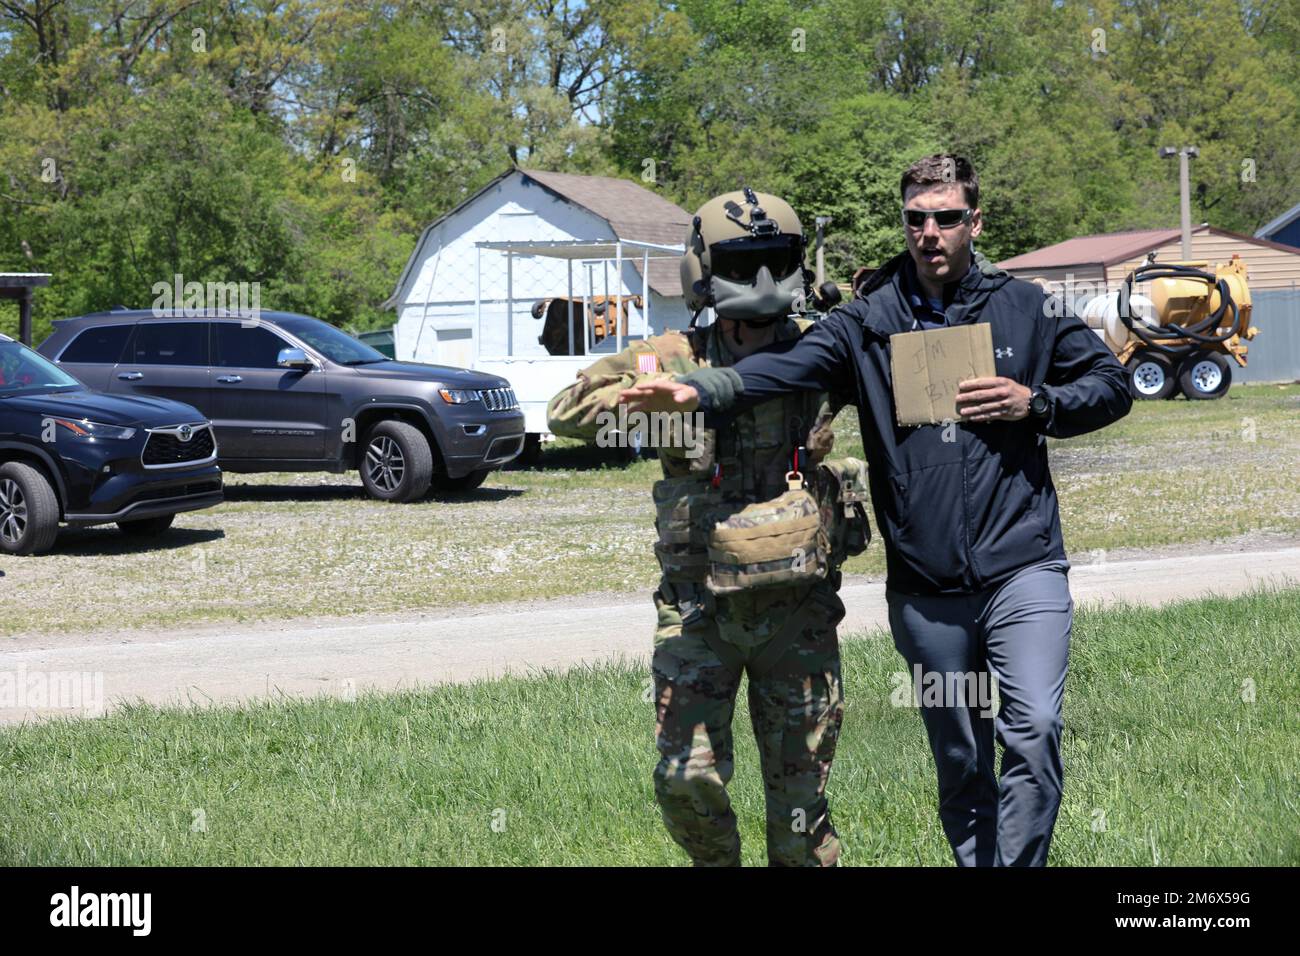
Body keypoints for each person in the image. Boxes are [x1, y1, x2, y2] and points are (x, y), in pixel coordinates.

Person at [621, 155, 1133, 866]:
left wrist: (1037, 403)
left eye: (947, 218)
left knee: (1034, 726)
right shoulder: (870, 318)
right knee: (959, 756)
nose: (930, 232)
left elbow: (1110, 386)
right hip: (927, 587)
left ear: (974, 222)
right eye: (916, 218)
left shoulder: (1027, 306)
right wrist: (704, 387)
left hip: (1023, 567)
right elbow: (789, 365)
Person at [547, 188, 868, 866]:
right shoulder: (672, 354)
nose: (759, 280)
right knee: (683, 777)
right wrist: (643, 403)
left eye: (773, 261)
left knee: (802, 812)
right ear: (703, 270)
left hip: (797, 614)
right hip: (698, 611)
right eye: (741, 262)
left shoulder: (821, 352)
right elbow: (566, 412)